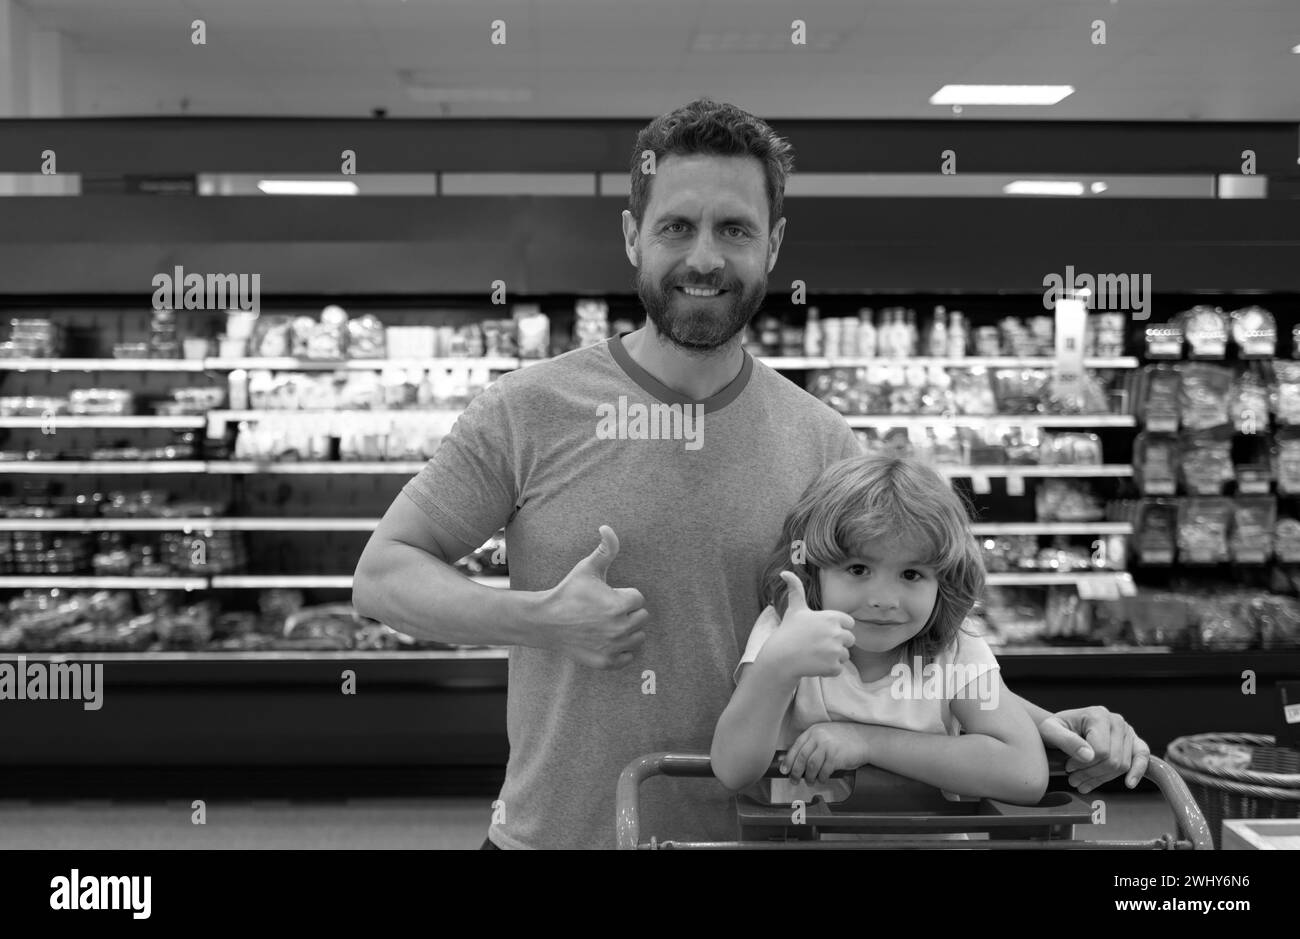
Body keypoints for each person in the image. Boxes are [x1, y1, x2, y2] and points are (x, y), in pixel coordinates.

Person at [352, 97, 1150, 850]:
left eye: (734, 229)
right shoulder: (527, 409)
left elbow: (900, 630)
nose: (704, 257)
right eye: (677, 226)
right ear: (633, 235)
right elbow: (382, 576)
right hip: (561, 831)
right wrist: (538, 618)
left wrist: (1032, 720)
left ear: (772, 245)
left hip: (768, 834)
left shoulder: (824, 440)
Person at [712, 454, 1048, 817]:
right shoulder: (786, 633)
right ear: (811, 571)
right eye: (858, 569)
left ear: (944, 581)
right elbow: (733, 771)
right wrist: (776, 667)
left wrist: (867, 742)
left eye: (911, 574)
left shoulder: (954, 648)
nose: (884, 601)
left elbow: (1025, 773)